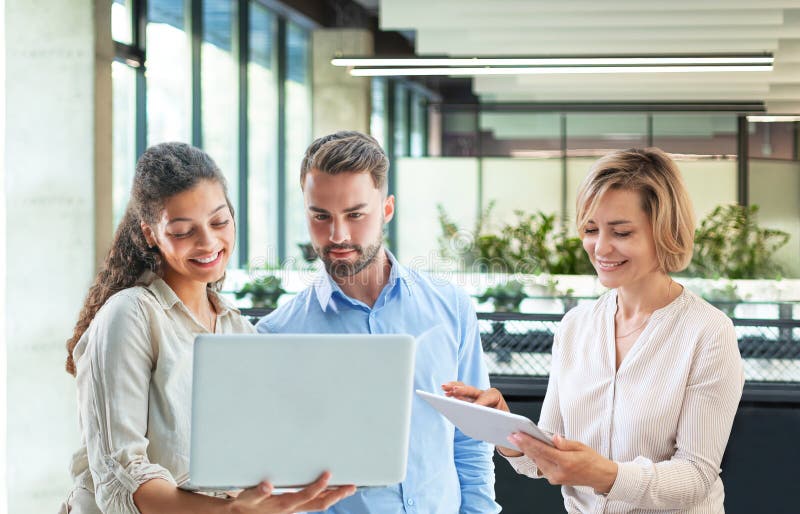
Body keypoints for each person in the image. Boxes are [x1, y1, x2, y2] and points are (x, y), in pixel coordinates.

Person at [444, 148, 744, 513]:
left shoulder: (708, 332)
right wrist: (504, 426)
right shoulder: (575, 326)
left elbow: (696, 475)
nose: (600, 248)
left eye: (621, 232)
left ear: (664, 231)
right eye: (590, 229)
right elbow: (544, 460)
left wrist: (606, 475)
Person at [61, 142, 355, 514]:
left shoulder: (238, 330)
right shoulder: (132, 314)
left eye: (219, 222)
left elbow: (243, 464)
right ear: (150, 233)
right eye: (184, 231)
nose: (209, 242)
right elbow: (122, 483)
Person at [256, 131, 500, 514]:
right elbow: (278, 475)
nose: (338, 235)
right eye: (321, 216)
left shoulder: (450, 307)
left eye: (355, 214)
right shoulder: (276, 335)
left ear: (387, 209)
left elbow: (471, 440)